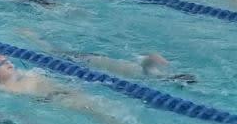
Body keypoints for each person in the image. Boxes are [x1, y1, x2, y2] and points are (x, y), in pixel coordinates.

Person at [66, 49, 195, 84]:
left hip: (98, 61)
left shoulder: (154, 75)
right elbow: (145, 63)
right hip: (97, 61)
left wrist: (152, 57)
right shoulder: (156, 75)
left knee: (62, 54)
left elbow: (145, 63)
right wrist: (152, 57)